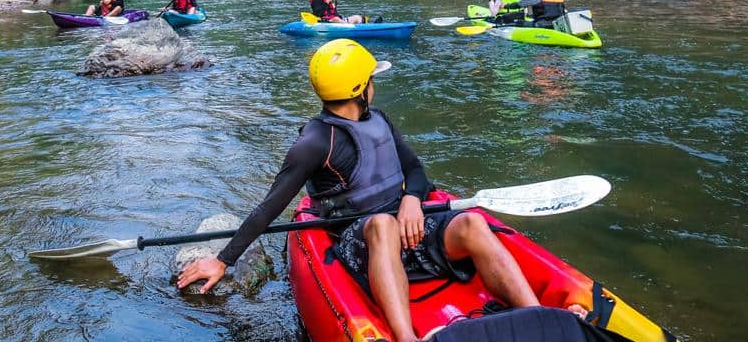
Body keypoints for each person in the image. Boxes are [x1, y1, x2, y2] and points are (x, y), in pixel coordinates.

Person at [177, 39, 584, 341]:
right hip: (361, 241)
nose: (374, 85)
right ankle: (407, 338)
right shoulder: (314, 142)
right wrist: (224, 259)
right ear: (359, 87)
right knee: (381, 227)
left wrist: (411, 200)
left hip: (410, 228)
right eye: (370, 79)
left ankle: (539, 318)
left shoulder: (381, 120)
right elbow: (270, 207)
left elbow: (415, 171)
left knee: (473, 223)